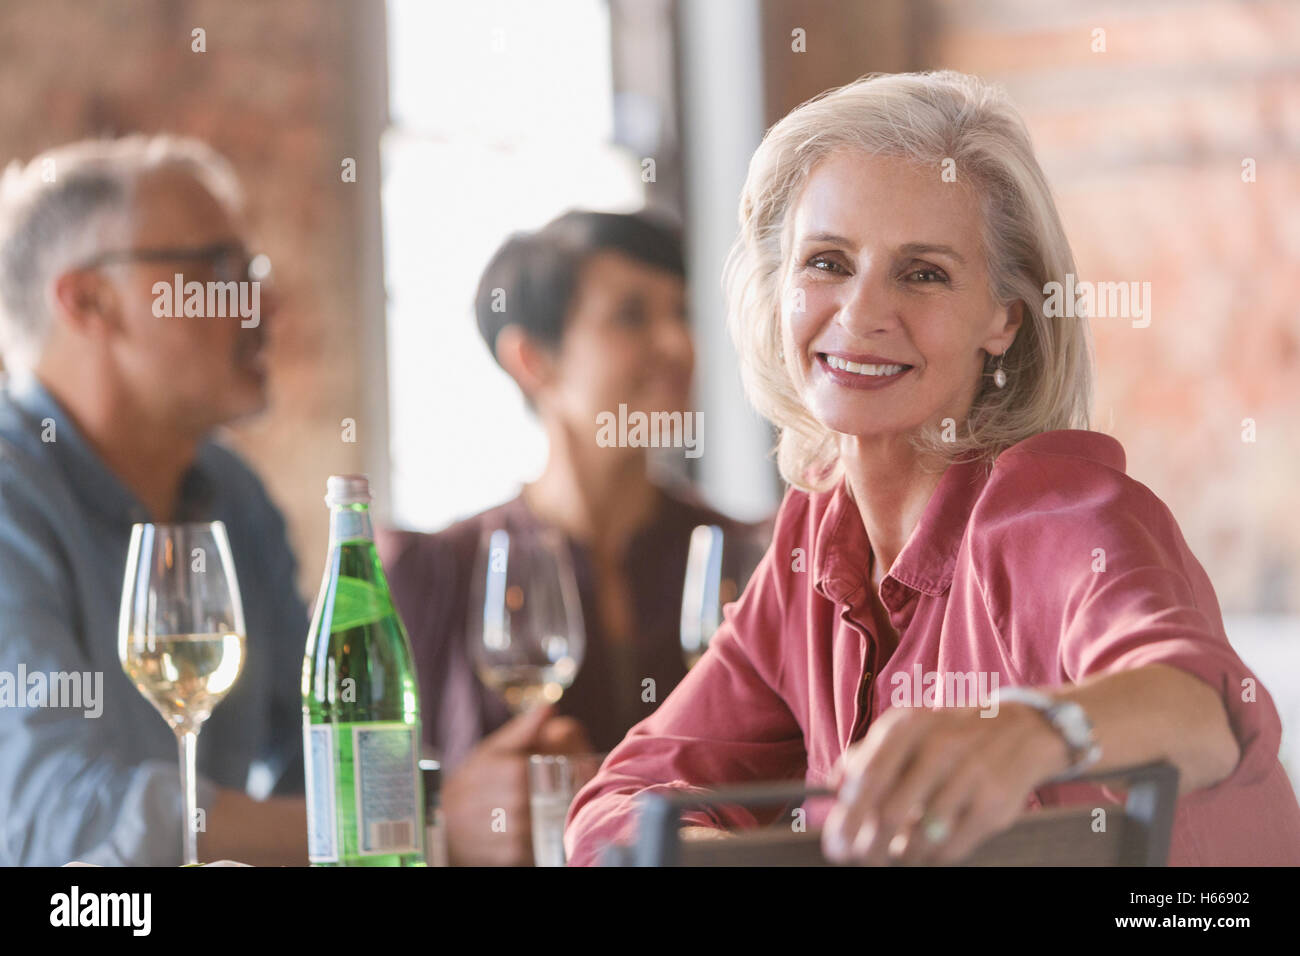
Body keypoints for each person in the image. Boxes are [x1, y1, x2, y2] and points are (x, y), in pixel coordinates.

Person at [564, 71, 1300, 867]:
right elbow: (619, 803)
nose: (860, 314)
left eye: (923, 273)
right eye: (827, 262)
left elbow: (1211, 714)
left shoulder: (1064, 516)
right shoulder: (816, 534)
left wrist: (1034, 730)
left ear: (1004, 318)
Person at [378, 210, 767, 866]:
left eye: (682, 312)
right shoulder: (432, 572)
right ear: (532, 360)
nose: (677, 344)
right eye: (632, 316)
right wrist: (442, 827)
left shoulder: (744, 554)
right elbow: (347, 807)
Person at [0, 135, 309, 865]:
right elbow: (59, 821)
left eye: (252, 269)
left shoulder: (233, 494)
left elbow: (317, 744)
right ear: (90, 300)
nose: (260, 300)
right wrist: (395, 822)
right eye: (216, 269)